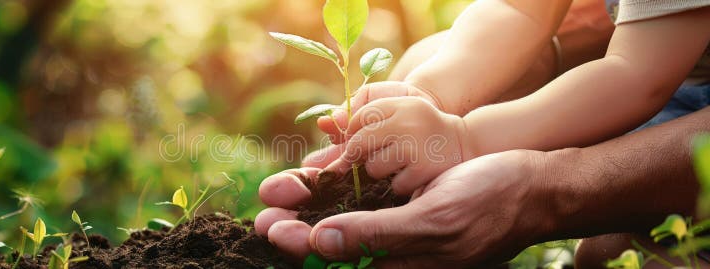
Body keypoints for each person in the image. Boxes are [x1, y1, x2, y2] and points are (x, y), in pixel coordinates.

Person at [257, 0, 710, 267]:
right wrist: (432, 94)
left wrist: (467, 138)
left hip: (683, 100)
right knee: (425, 59)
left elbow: (636, 75)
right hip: (669, 79)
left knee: (614, 257)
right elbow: (516, 9)